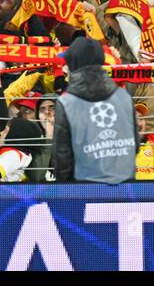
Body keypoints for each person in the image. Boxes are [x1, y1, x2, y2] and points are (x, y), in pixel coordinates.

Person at [51, 36, 137, 184]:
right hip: (126, 191)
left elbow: (62, 159)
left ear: (73, 64)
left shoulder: (66, 103)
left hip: (85, 193)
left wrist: (67, 195)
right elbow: (135, 145)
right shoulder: (124, 97)